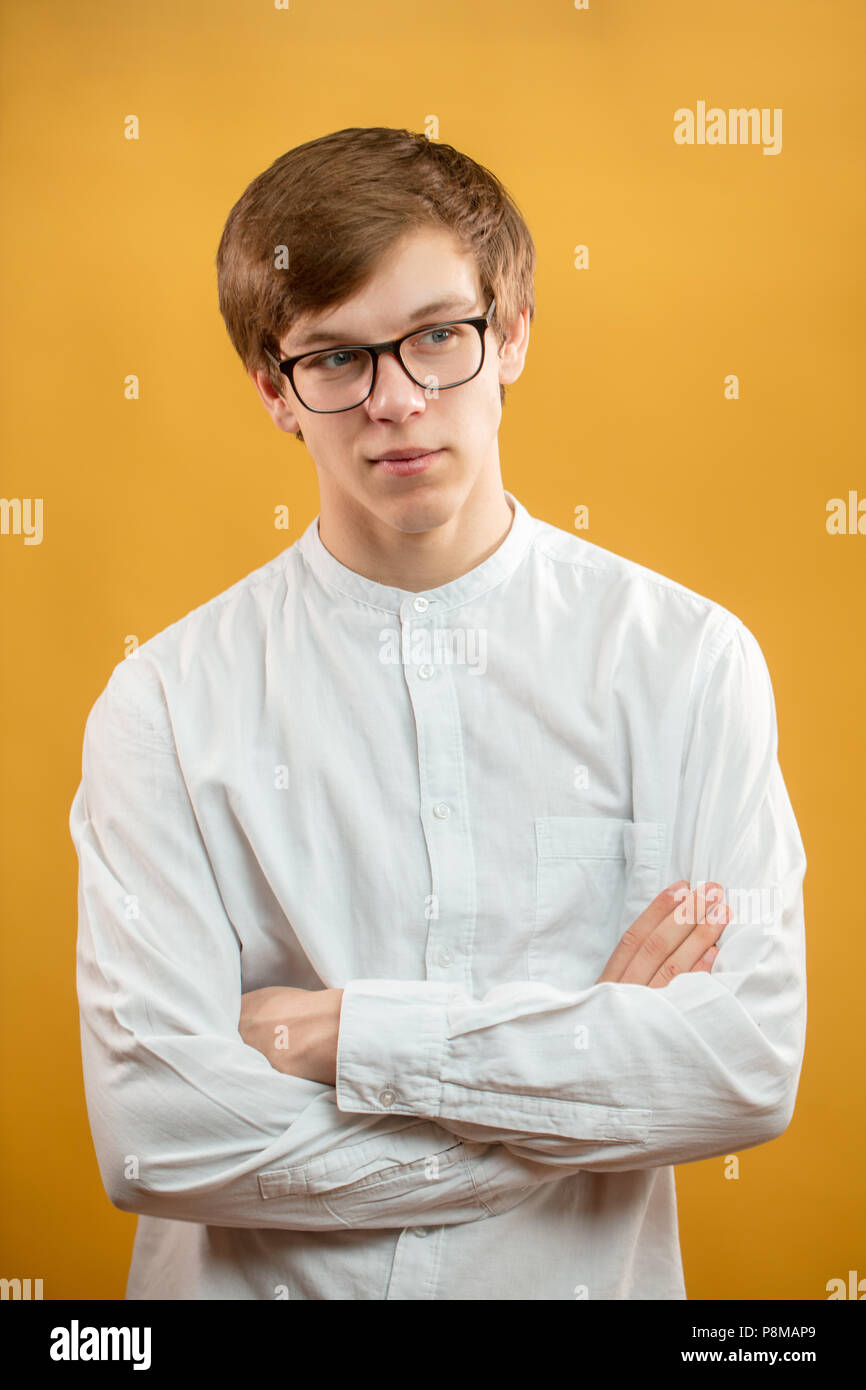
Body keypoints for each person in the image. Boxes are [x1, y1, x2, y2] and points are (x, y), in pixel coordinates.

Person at [69, 126, 807, 1301]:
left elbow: (741, 1066)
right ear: (274, 387)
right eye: (336, 359)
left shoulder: (686, 664)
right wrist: (571, 1094)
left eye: (435, 337)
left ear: (508, 333)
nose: (396, 401)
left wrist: (343, 1036)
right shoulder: (161, 704)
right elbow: (161, 1136)